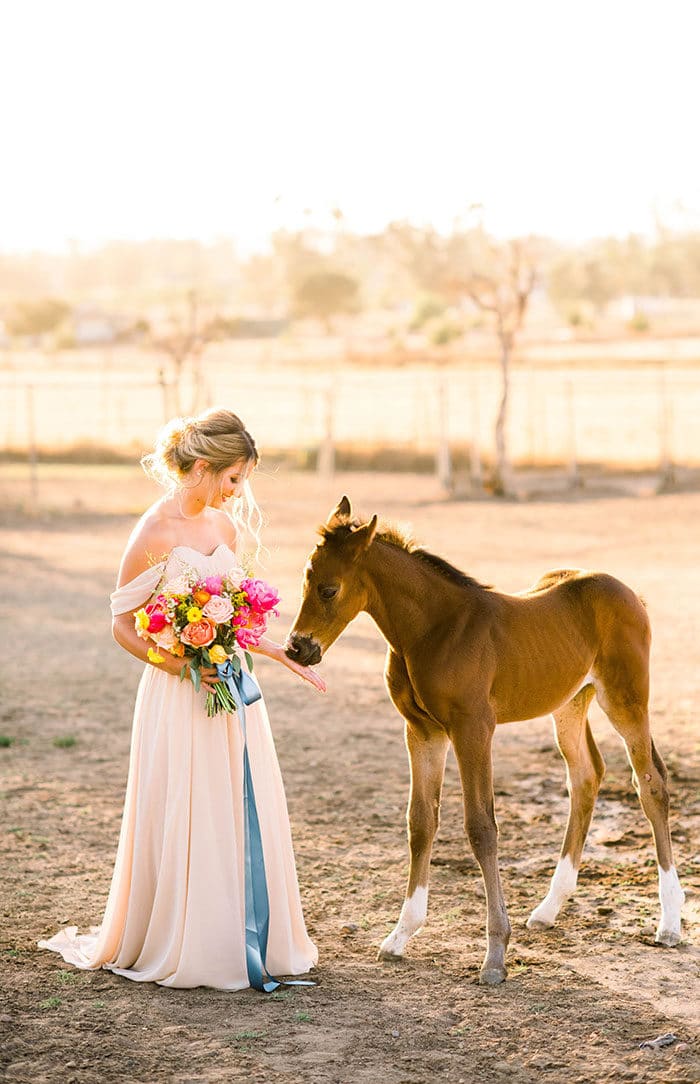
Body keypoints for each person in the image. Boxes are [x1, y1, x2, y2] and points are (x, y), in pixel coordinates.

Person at [37, 408, 324, 989]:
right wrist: (182, 665)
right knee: (187, 808)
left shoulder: (225, 529)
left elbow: (238, 621)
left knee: (237, 805)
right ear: (201, 466)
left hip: (231, 687)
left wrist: (277, 654)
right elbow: (122, 624)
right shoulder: (154, 531)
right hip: (178, 693)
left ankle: (245, 934)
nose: (236, 491)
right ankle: (187, 940)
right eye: (233, 478)